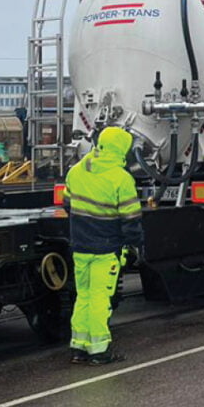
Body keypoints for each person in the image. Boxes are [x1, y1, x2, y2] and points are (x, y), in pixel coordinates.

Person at [62, 125, 144, 365]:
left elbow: (68, 205)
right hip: (106, 249)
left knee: (83, 296)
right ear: (121, 149)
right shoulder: (121, 178)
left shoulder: (76, 171)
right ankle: (99, 350)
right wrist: (135, 245)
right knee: (100, 299)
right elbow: (131, 220)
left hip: (80, 246)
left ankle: (78, 347)